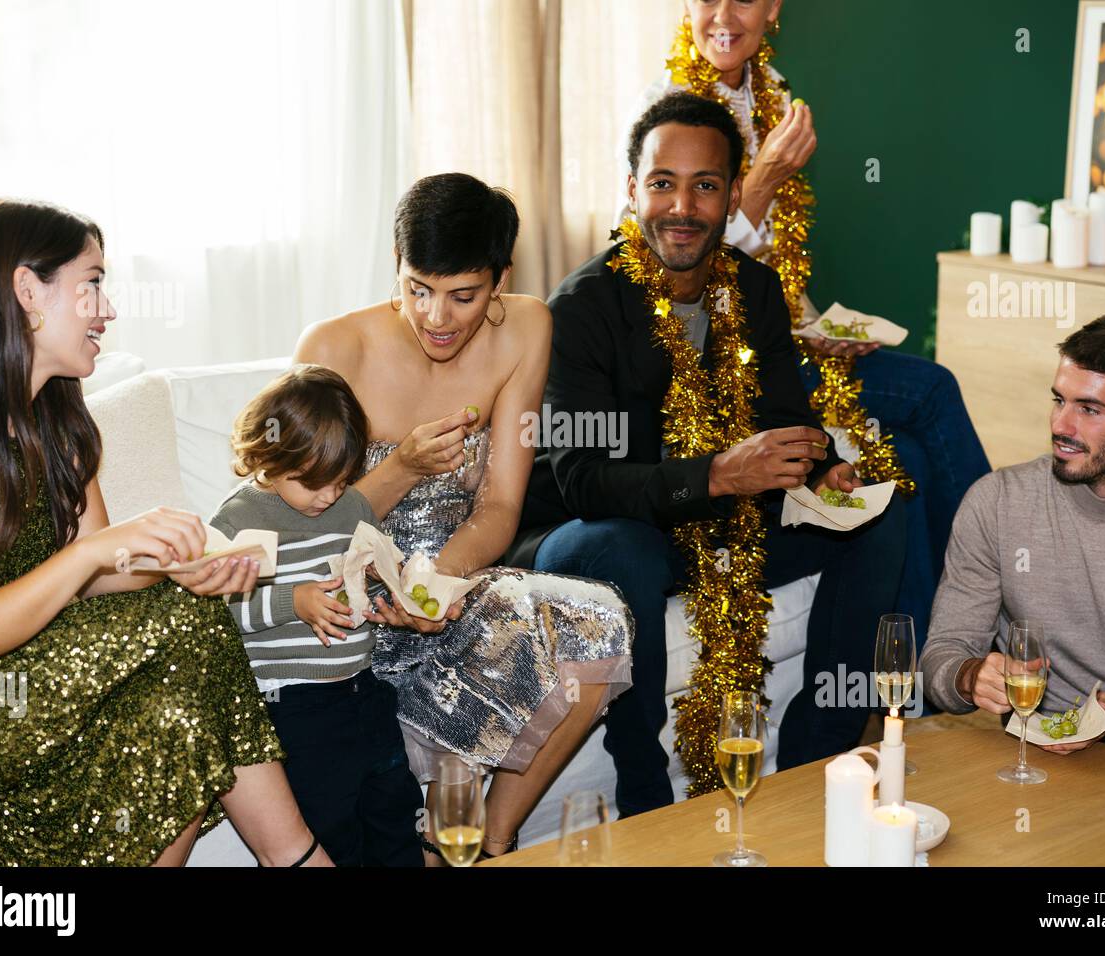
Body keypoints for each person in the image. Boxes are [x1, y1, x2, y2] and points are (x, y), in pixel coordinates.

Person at [511, 93, 907, 816]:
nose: (681, 206)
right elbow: (582, 479)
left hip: (711, 521)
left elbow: (787, 416)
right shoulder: (583, 308)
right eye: (662, 182)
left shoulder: (752, 289)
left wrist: (824, 471)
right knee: (624, 545)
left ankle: (815, 763)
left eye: (705, 184)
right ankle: (644, 799)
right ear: (632, 190)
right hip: (586, 537)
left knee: (879, 519)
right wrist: (721, 472)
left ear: (732, 195)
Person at [0, 199, 331, 867]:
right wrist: (94, 551)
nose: (107, 309)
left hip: (42, 663)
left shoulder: (57, 412)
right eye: (92, 284)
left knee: (175, 697)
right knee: (184, 627)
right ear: (28, 291)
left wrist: (180, 568)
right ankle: (297, 858)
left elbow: (98, 582)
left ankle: (293, 858)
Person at [617, 0, 991, 653]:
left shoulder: (773, 95)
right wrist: (761, 179)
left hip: (775, 336)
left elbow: (770, 263)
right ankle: (1000, 586)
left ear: (774, 8)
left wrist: (819, 327)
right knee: (931, 392)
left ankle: (941, 659)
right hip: (711, 363)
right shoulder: (662, 111)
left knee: (914, 462)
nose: (726, 15)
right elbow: (677, 266)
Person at [293, 173, 633, 858]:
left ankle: (486, 843)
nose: (436, 317)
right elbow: (298, 527)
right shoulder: (334, 351)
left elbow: (502, 502)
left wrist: (437, 583)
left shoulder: (526, 327)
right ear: (396, 267)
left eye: (463, 295)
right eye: (417, 288)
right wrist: (402, 469)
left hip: (452, 580)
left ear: (500, 279)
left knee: (601, 623)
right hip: (348, 597)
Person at [920, 314, 1105, 768]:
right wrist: (970, 676)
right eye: (1059, 399)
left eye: (1089, 409)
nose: (1061, 425)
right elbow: (941, 654)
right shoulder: (997, 501)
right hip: (1017, 751)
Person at [210, 365, 424, 866]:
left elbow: (370, 572)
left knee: (397, 816)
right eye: (313, 483)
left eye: (342, 480)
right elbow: (217, 610)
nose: (329, 496)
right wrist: (294, 602)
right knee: (330, 828)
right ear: (268, 456)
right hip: (296, 709)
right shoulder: (242, 520)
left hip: (364, 691)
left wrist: (393, 589)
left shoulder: (351, 507)